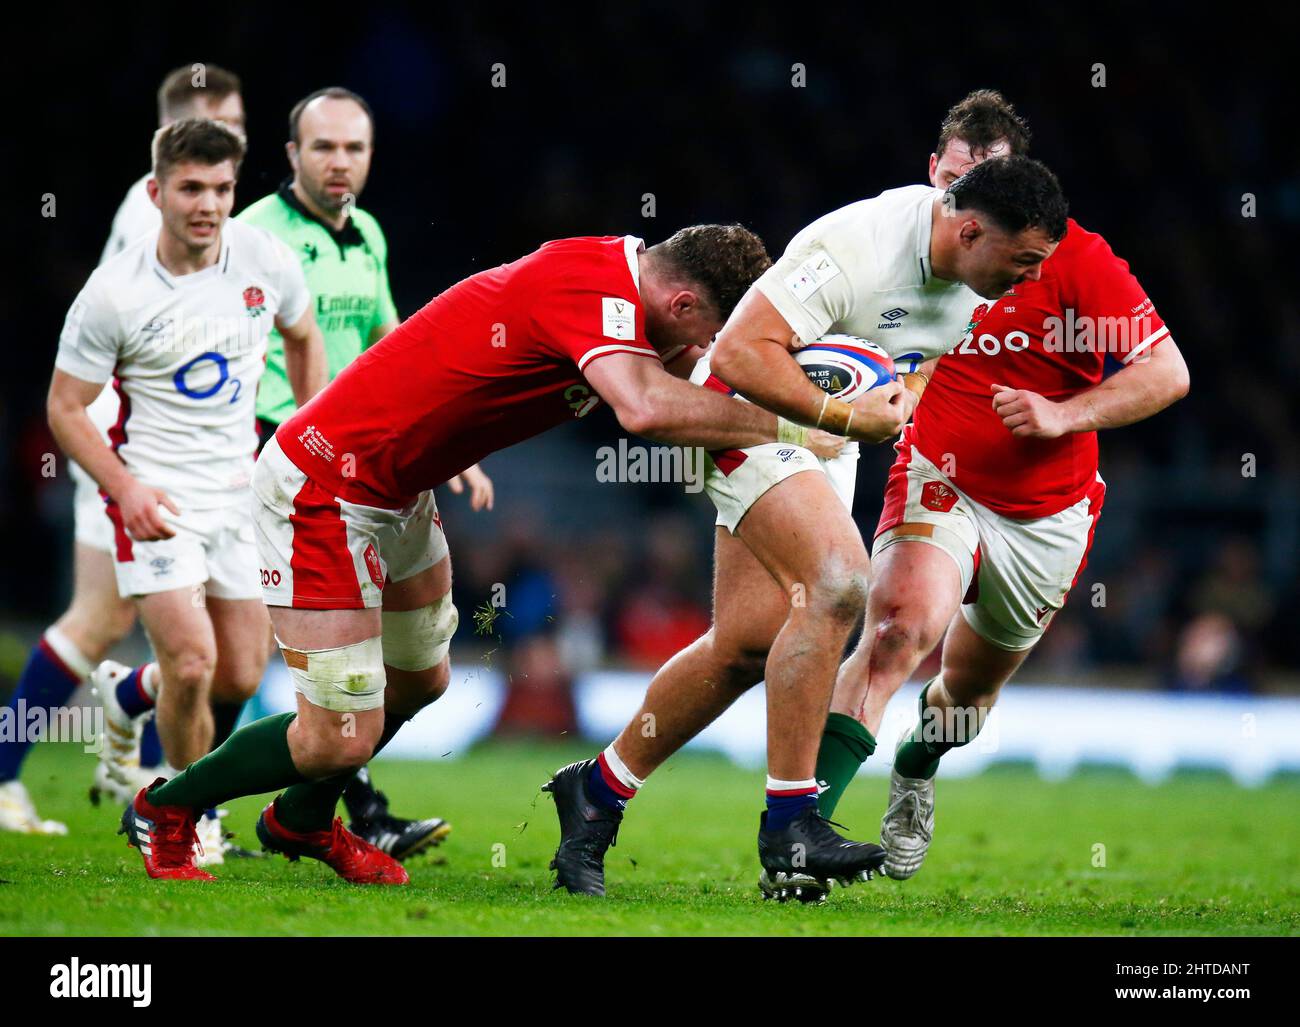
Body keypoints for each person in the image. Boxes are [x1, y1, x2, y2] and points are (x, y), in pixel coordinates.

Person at [119, 222, 876, 885]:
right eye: (705, 335)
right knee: (334, 736)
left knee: (420, 681)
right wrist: (800, 427)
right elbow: (646, 409)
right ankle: (168, 804)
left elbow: (689, 391)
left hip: (396, 493)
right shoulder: (590, 288)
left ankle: (304, 819)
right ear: (682, 305)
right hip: (322, 484)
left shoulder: (631, 298)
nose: (705, 355)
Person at [550, 154, 1069, 902]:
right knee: (839, 582)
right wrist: (840, 417)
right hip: (746, 411)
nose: (1029, 279)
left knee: (744, 646)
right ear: (970, 227)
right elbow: (735, 351)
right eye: (1022, 261)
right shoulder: (859, 245)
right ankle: (792, 825)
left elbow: (923, 359)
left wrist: (903, 393)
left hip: (831, 430)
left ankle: (597, 790)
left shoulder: (982, 279)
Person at [812, 91, 1188, 882]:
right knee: (893, 633)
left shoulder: (1076, 263)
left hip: (1046, 513)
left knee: (965, 696)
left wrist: (1062, 412)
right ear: (934, 175)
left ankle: (917, 764)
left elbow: (1167, 372)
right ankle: (802, 830)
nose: (966, 212)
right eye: (954, 184)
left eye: (986, 185)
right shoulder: (907, 249)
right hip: (939, 476)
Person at [47, 119, 326, 880]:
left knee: (241, 674)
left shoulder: (264, 258)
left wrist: (308, 435)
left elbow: (302, 337)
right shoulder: (114, 293)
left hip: (240, 493)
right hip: (155, 498)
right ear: (156, 192)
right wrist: (125, 487)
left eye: (223, 189)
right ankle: (178, 815)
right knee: (196, 663)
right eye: (191, 188)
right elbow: (65, 408)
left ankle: (132, 693)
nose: (208, 204)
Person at [0, 65, 245, 835]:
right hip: (130, 449)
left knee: (107, 619)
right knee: (157, 636)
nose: (239, 135)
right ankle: (161, 791)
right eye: (225, 121)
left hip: (141, 448)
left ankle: (135, 748)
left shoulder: (199, 215)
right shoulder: (162, 223)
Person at [237, 86, 474, 859]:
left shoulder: (366, 234)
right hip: (274, 461)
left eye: (354, 149)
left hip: (357, 471)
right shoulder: (251, 236)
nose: (340, 163)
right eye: (324, 148)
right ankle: (180, 795)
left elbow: (392, 345)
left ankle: (331, 810)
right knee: (243, 653)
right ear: (292, 156)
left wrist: (449, 438)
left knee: (331, 657)